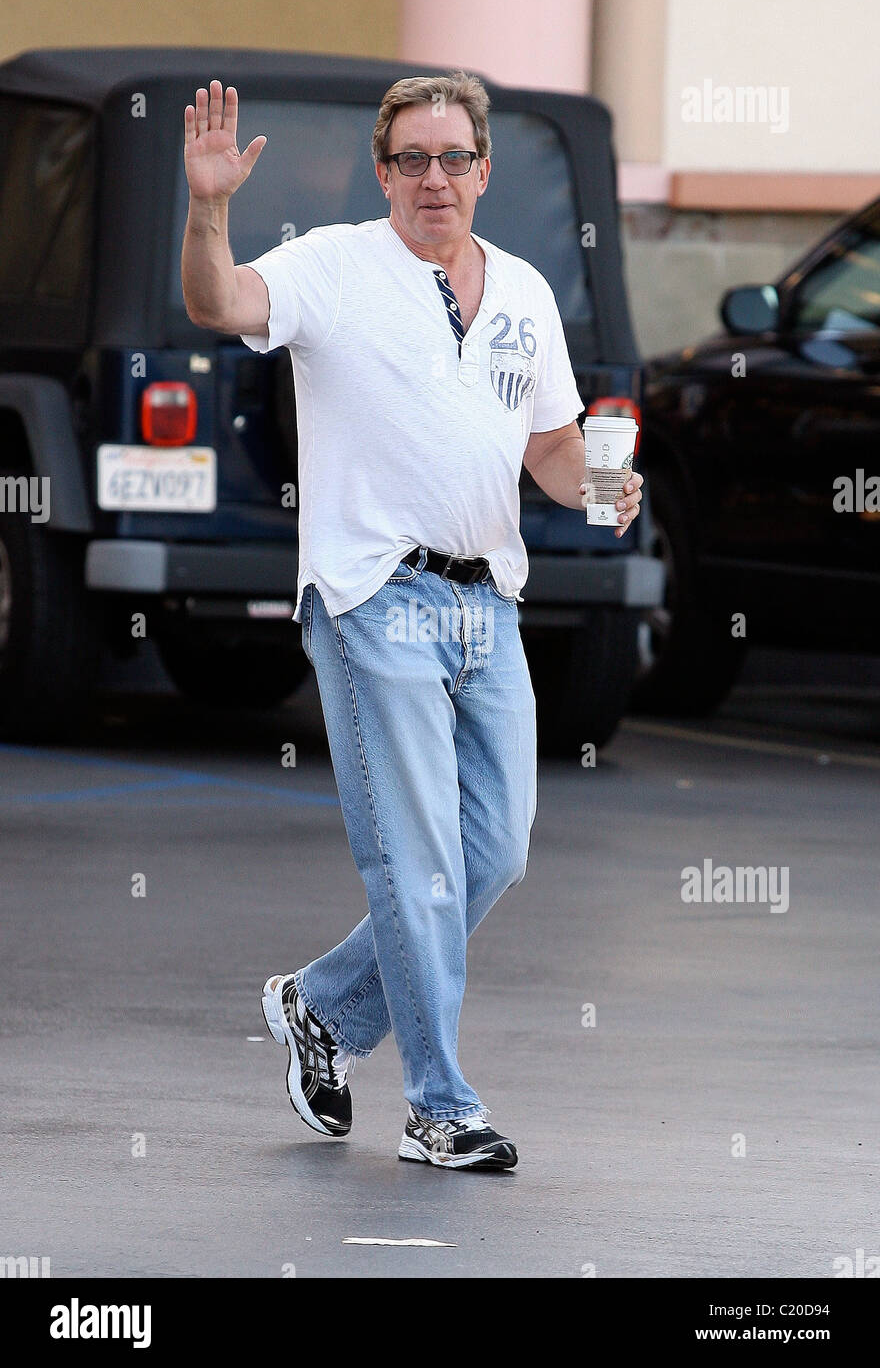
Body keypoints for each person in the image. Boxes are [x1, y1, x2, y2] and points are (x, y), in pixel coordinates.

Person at [181, 71, 643, 1171]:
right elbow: (220, 304)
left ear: (483, 170)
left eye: (452, 158)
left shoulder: (525, 293)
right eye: (410, 159)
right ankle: (439, 1104)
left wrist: (600, 486)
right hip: (370, 593)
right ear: (382, 172)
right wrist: (207, 209)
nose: (432, 178)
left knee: (497, 848)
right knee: (418, 858)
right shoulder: (333, 267)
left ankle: (324, 1007)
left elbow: (548, 444)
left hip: (488, 601)